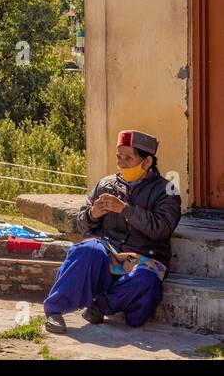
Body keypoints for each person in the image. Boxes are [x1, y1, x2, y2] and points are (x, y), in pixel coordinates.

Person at [43, 130, 181, 334]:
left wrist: (125, 210)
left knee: (147, 283)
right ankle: (54, 311)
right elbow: (82, 224)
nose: (122, 163)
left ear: (147, 161)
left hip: (143, 259)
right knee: (86, 250)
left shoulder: (167, 190)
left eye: (128, 158)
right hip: (107, 255)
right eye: (119, 157)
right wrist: (92, 213)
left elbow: (161, 229)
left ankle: (99, 307)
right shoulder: (106, 184)